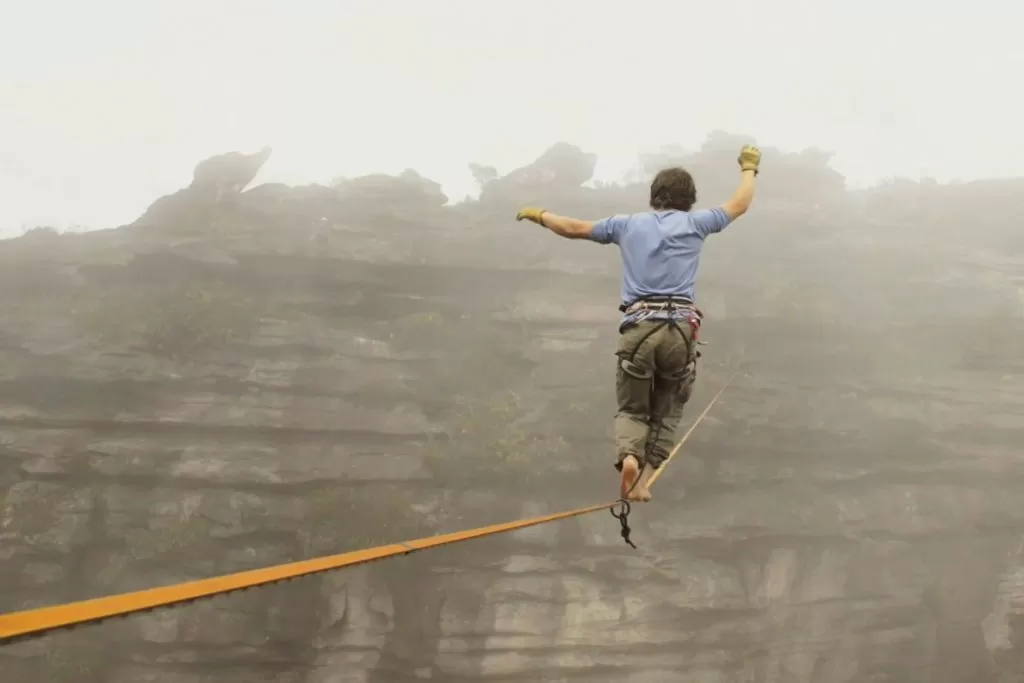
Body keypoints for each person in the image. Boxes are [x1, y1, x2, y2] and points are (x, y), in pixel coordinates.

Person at [515, 144, 761, 502]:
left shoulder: (626, 225)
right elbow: (739, 204)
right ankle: (643, 481)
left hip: (639, 327)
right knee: (669, 406)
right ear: (689, 199)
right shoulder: (697, 223)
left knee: (633, 408)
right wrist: (748, 168)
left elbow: (572, 228)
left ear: (654, 197)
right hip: (680, 328)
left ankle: (629, 456)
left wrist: (540, 214)